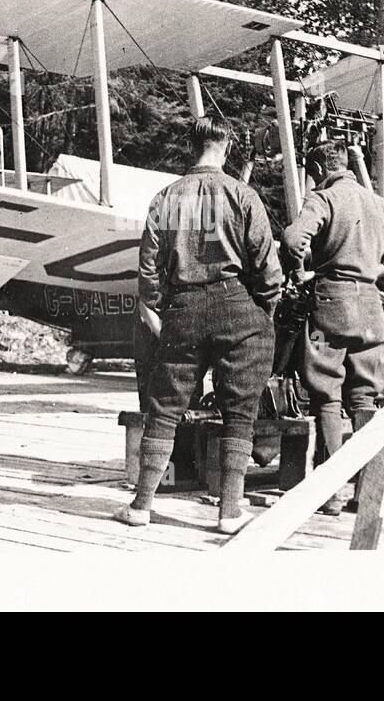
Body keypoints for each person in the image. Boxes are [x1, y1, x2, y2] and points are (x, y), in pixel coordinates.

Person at [118, 116, 282, 534]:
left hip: (183, 310)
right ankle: (230, 512)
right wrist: (261, 311)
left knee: (164, 410)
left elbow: (148, 269)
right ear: (226, 148)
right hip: (238, 307)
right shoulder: (243, 195)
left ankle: (141, 505)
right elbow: (268, 268)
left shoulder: (165, 198)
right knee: (239, 414)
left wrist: (159, 312)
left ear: (191, 148)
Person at [280, 139, 384, 515]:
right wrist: (380, 270)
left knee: (326, 395)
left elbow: (293, 238)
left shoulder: (323, 199)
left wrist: (299, 273)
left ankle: (330, 494)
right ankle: (366, 494)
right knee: (365, 398)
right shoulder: (379, 203)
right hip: (370, 305)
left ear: (317, 171)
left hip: (331, 304)